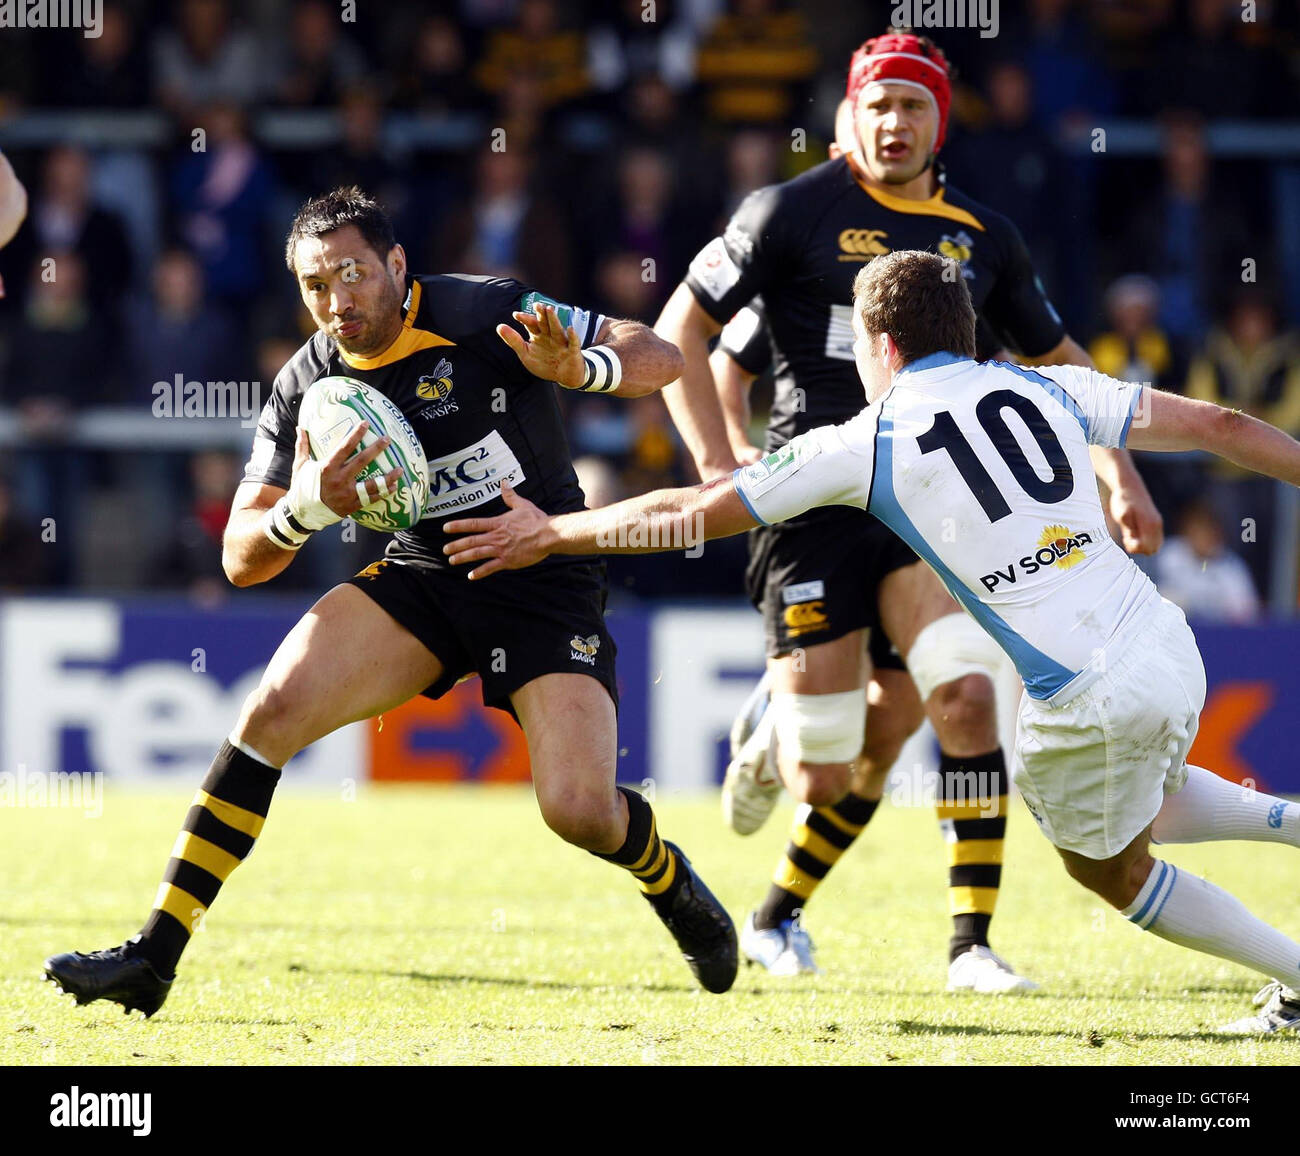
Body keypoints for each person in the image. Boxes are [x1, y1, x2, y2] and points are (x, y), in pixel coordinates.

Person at [445, 249, 1300, 1034]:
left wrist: (555, 531)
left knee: (1110, 870)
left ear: (882, 345)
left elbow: (693, 512)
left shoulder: (871, 437)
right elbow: (1222, 425)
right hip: (1165, 643)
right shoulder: (1053, 385)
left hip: (1083, 694)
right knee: (1137, 793)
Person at [43, 186, 737, 1018]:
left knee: (579, 812)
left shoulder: (487, 311)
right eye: (315, 286)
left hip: (542, 569)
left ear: (397, 264)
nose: (337, 302)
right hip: (424, 573)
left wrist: (579, 366)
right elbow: (241, 557)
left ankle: (670, 882)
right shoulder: (307, 382)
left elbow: (662, 355)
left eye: (354, 275)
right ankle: (155, 954)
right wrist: (308, 506)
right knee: (270, 712)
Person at [655, 32, 1162, 986]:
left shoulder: (984, 236)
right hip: (814, 498)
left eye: (913, 105)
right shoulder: (787, 214)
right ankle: (776, 761)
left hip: (928, 511)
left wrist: (1120, 476)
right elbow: (689, 331)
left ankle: (970, 945)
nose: (893, 121)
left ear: (943, 120)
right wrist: (715, 456)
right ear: (849, 114)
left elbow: (1062, 364)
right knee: (835, 767)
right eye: (877, 103)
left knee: (966, 700)